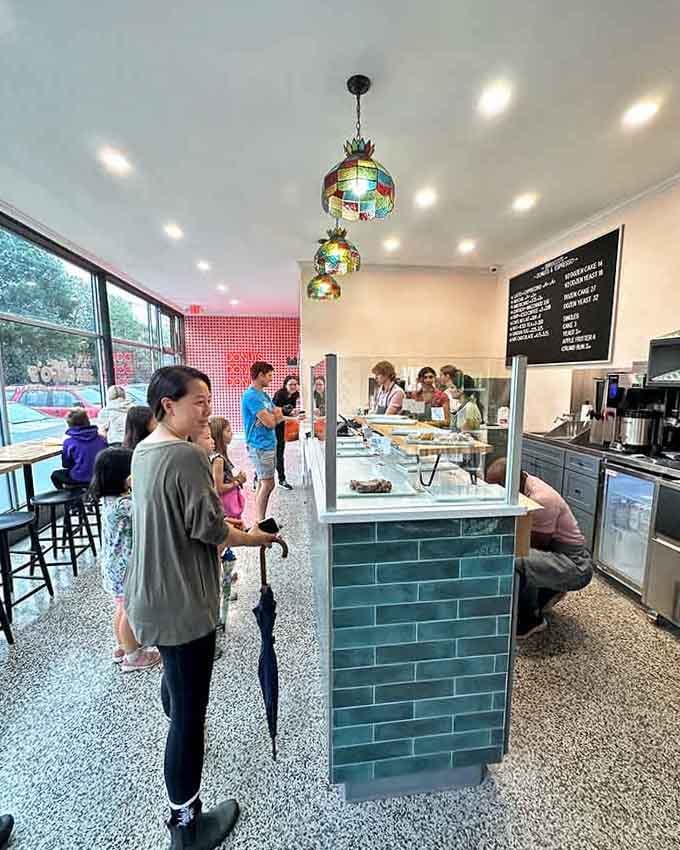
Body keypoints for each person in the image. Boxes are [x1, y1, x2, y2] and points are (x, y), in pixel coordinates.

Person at [124, 365, 279, 848]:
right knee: (191, 717)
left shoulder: (143, 451)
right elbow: (211, 529)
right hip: (182, 602)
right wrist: (255, 538)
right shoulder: (186, 456)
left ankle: (173, 698)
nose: (207, 409)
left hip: (147, 595)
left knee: (178, 689)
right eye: (198, 401)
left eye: (209, 400)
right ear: (167, 405)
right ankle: (186, 825)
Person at [486, 458, 594, 639]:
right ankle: (545, 595)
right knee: (517, 555)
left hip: (575, 565)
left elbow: (532, 546)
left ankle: (530, 619)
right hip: (556, 555)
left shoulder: (541, 499)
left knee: (517, 558)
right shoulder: (524, 484)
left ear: (512, 485)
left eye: (497, 489)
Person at [90, 448, 160, 672]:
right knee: (130, 609)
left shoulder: (110, 500)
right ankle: (133, 656)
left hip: (114, 566)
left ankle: (122, 646)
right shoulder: (124, 505)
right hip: (126, 567)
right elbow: (151, 509)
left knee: (121, 607)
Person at [241, 361, 284, 523]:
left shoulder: (264, 395)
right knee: (268, 484)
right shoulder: (251, 396)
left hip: (269, 443)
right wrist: (273, 417)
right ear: (260, 375)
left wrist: (273, 416)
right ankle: (260, 522)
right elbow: (272, 422)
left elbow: (276, 414)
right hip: (259, 446)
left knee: (262, 482)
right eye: (270, 375)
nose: (271, 379)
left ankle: (260, 520)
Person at [51, 408, 107, 489]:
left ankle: (69, 497)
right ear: (88, 421)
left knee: (55, 475)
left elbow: (65, 464)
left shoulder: (69, 442)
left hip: (80, 478)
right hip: (100, 477)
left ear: (70, 425)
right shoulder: (101, 439)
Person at [272, 375, 300, 490]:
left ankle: (282, 479)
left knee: (279, 454)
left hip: (284, 427)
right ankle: (258, 478)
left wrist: (294, 413)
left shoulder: (295, 395)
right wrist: (293, 417)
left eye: (295, 384)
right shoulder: (279, 395)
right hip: (274, 427)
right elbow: (277, 415)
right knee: (273, 455)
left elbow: (290, 412)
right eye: (290, 384)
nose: (293, 387)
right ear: (285, 385)